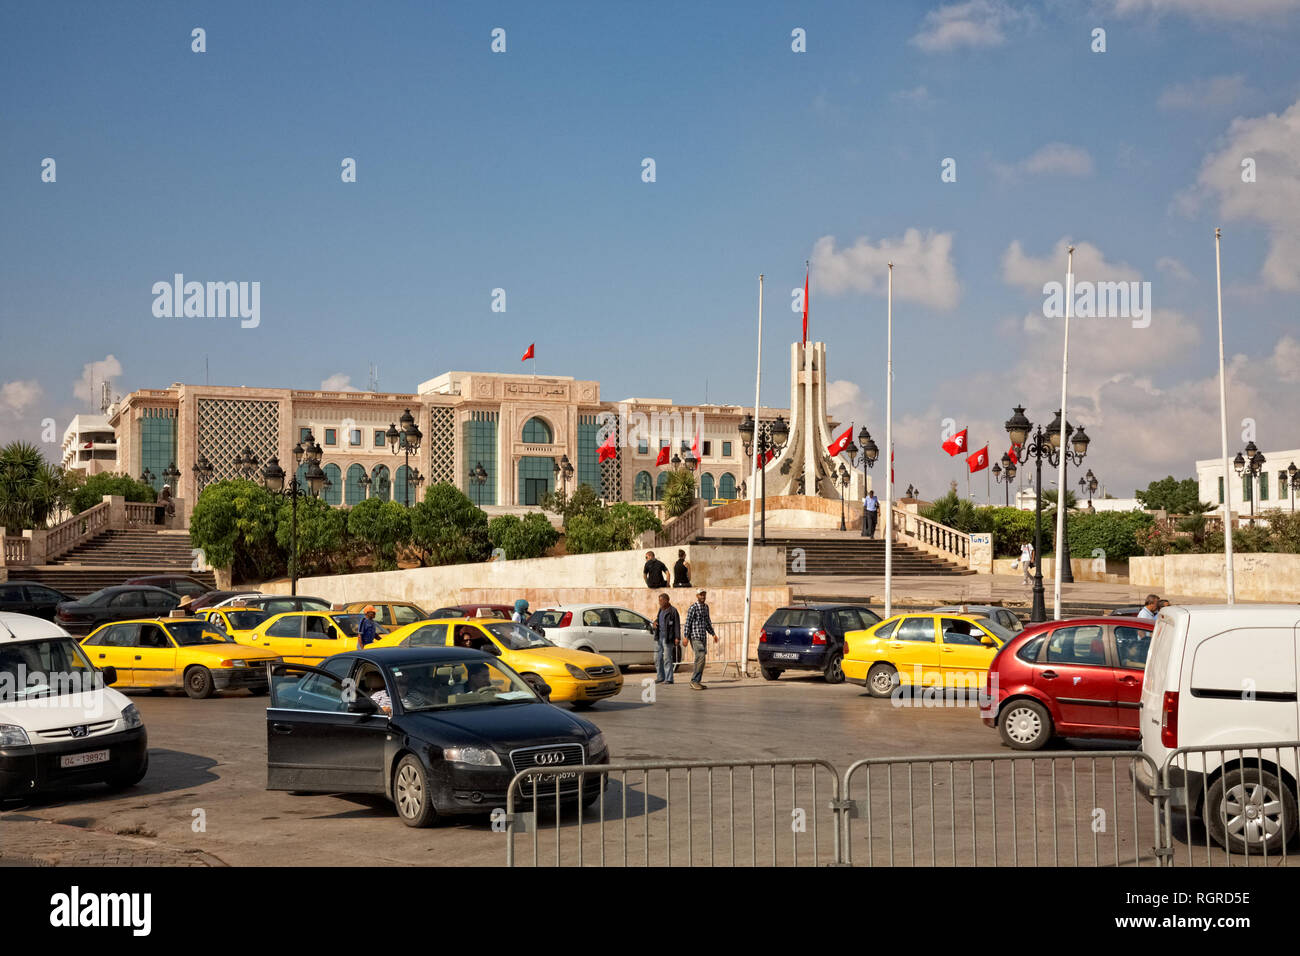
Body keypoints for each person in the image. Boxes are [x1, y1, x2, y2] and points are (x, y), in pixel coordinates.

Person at [683, 588, 719, 690]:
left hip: (703, 636)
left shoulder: (706, 607)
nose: (702, 596)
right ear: (697, 596)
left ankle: (697, 681)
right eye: (700, 595)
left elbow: (707, 622)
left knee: (700, 660)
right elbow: (688, 623)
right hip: (695, 636)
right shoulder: (693, 608)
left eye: (704, 594)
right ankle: (694, 681)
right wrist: (685, 636)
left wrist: (713, 634)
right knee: (701, 656)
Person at [653, 592, 680, 684]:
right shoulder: (660, 610)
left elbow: (677, 625)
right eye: (659, 600)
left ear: (666, 600)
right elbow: (658, 619)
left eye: (661, 600)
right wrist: (655, 622)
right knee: (657, 658)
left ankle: (669, 679)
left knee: (667, 658)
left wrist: (677, 637)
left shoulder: (673, 611)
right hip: (659, 636)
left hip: (668, 637)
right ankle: (660, 677)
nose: (659, 602)